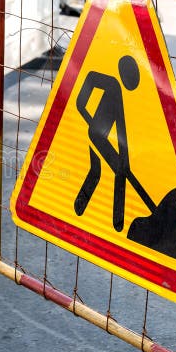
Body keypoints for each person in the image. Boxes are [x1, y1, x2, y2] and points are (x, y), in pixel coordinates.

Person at [74, 55, 140, 231]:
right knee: (117, 171)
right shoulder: (112, 84)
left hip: (97, 134)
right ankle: (117, 222)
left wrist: (124, 155)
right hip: (96, 135)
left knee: (98, 170)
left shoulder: (116, 89)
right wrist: (85, 114)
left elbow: (120, 125)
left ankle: (79, 206)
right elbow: (86, 86)